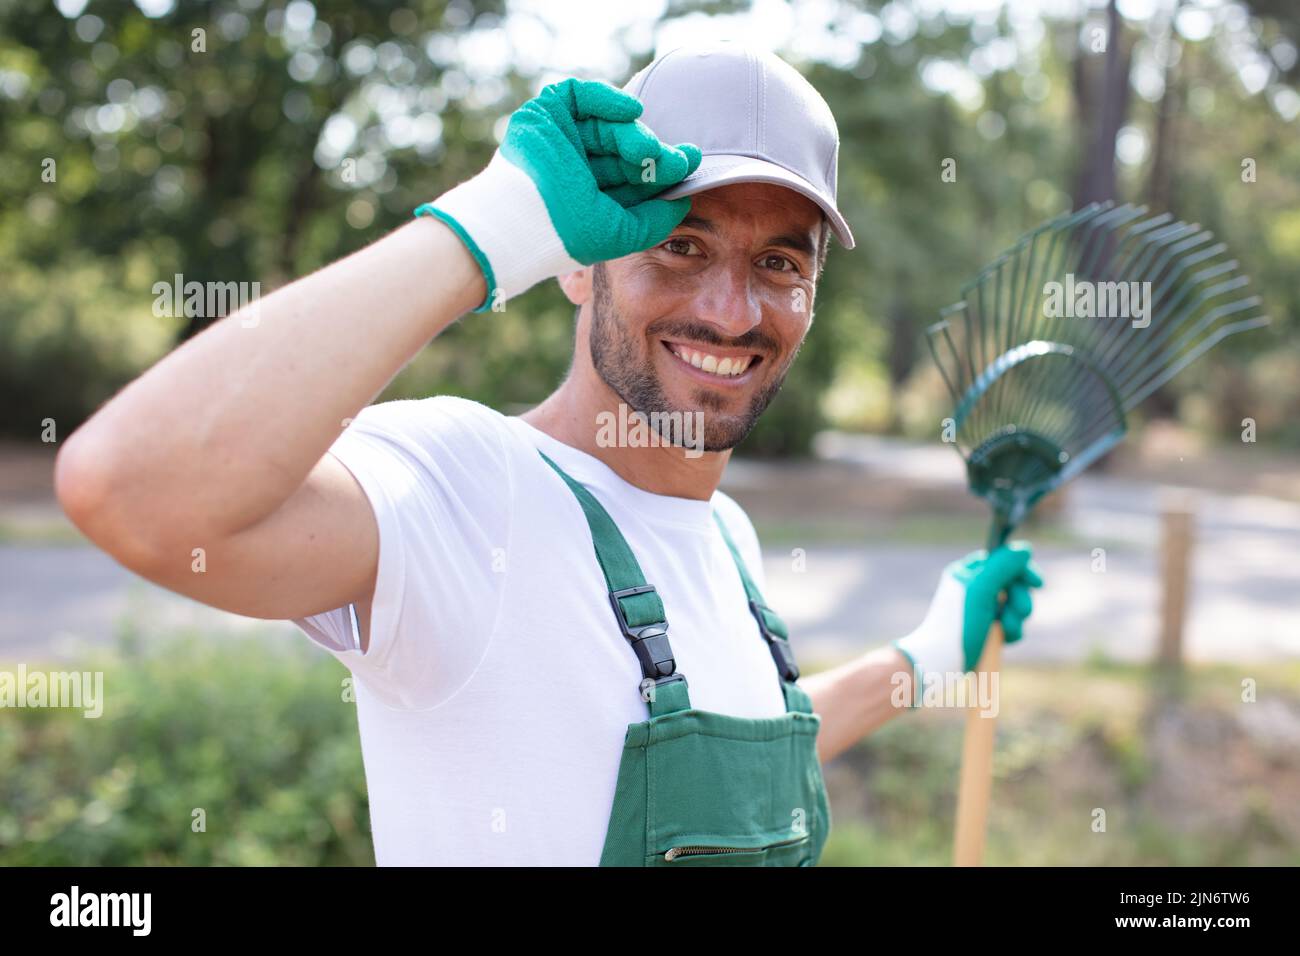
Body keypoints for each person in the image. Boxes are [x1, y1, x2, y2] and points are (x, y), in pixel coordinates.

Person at [55, 42, 1042, 866]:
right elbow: (131, 492)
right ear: (578, 260)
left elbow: (733, 774)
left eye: (777, 262)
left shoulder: (730, 542)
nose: (731, 310)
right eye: (681, 244)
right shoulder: (463, 485)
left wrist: (921, 659)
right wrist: (493, 224)